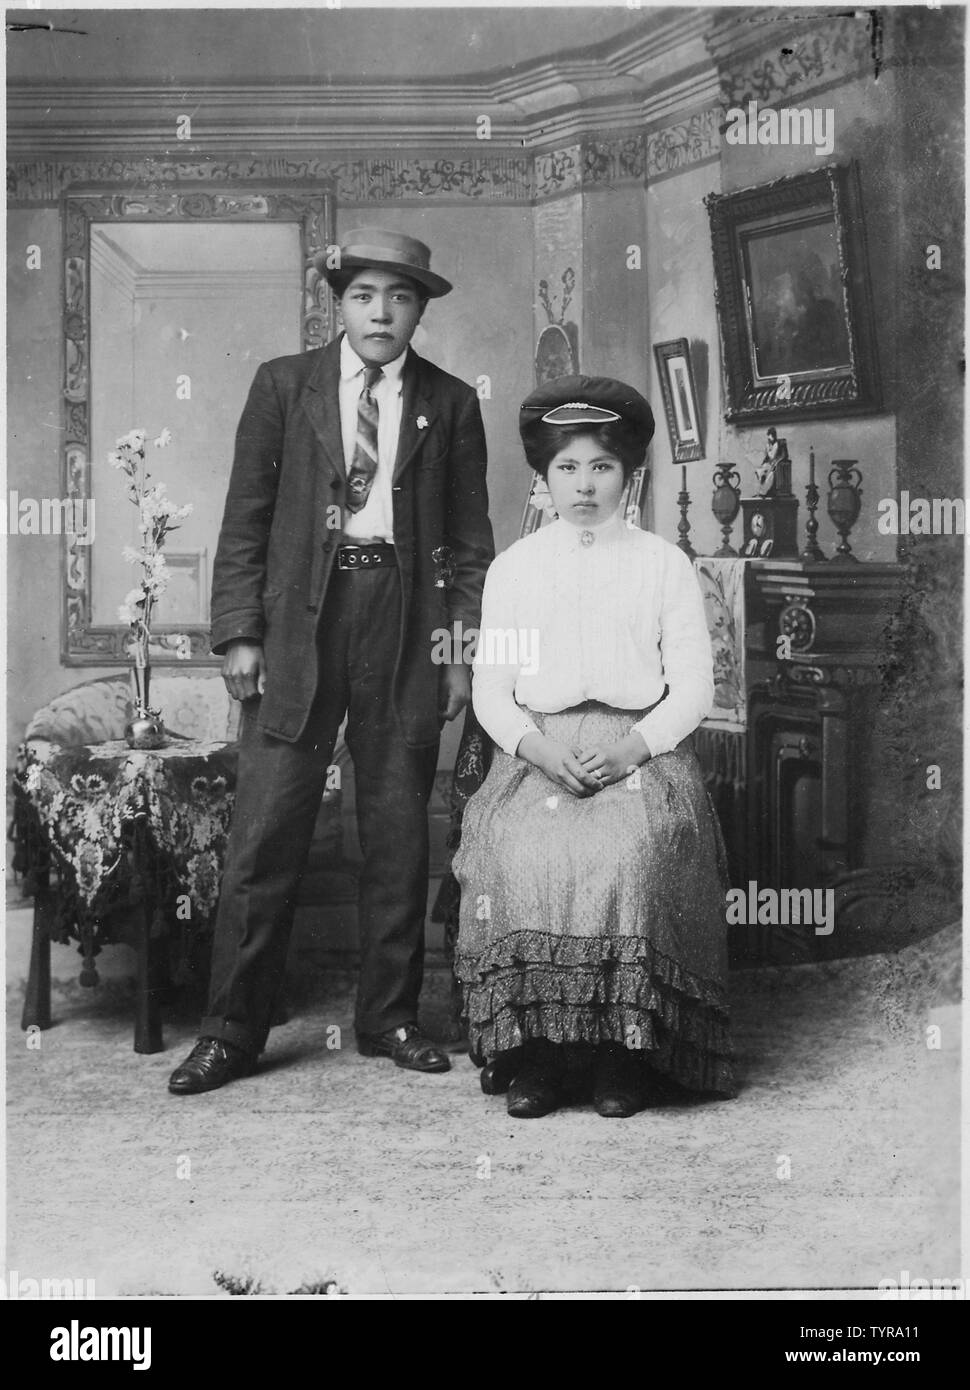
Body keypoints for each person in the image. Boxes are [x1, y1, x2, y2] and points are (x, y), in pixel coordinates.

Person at [168, 227, 494, 1094]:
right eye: (362, 296)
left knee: (393, 829)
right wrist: (240, 631)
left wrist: (460, 653)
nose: (380, 312)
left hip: (404, 619)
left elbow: (470, 545)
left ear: (420, 308)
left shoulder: (452, 403)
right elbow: (245, 519)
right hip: (297, 626)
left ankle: (388, 1018)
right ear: (338, 304)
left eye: (398, 296)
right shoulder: (284, 387)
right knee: (265, 834)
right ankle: (232, 1032)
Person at [452, 375, 734, 1119]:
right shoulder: (514, 571)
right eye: (568, 468)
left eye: (601, 467)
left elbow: (694, 690)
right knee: (520, 850)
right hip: (538, 751)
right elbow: (492, 690)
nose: (584, 484)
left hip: (638, 750)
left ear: (629, 475)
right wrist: (540, 752)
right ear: (543, 478)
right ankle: (541, 1056)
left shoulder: (663, 565)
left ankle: (622, 1057)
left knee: (629, 853)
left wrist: (634, 750)